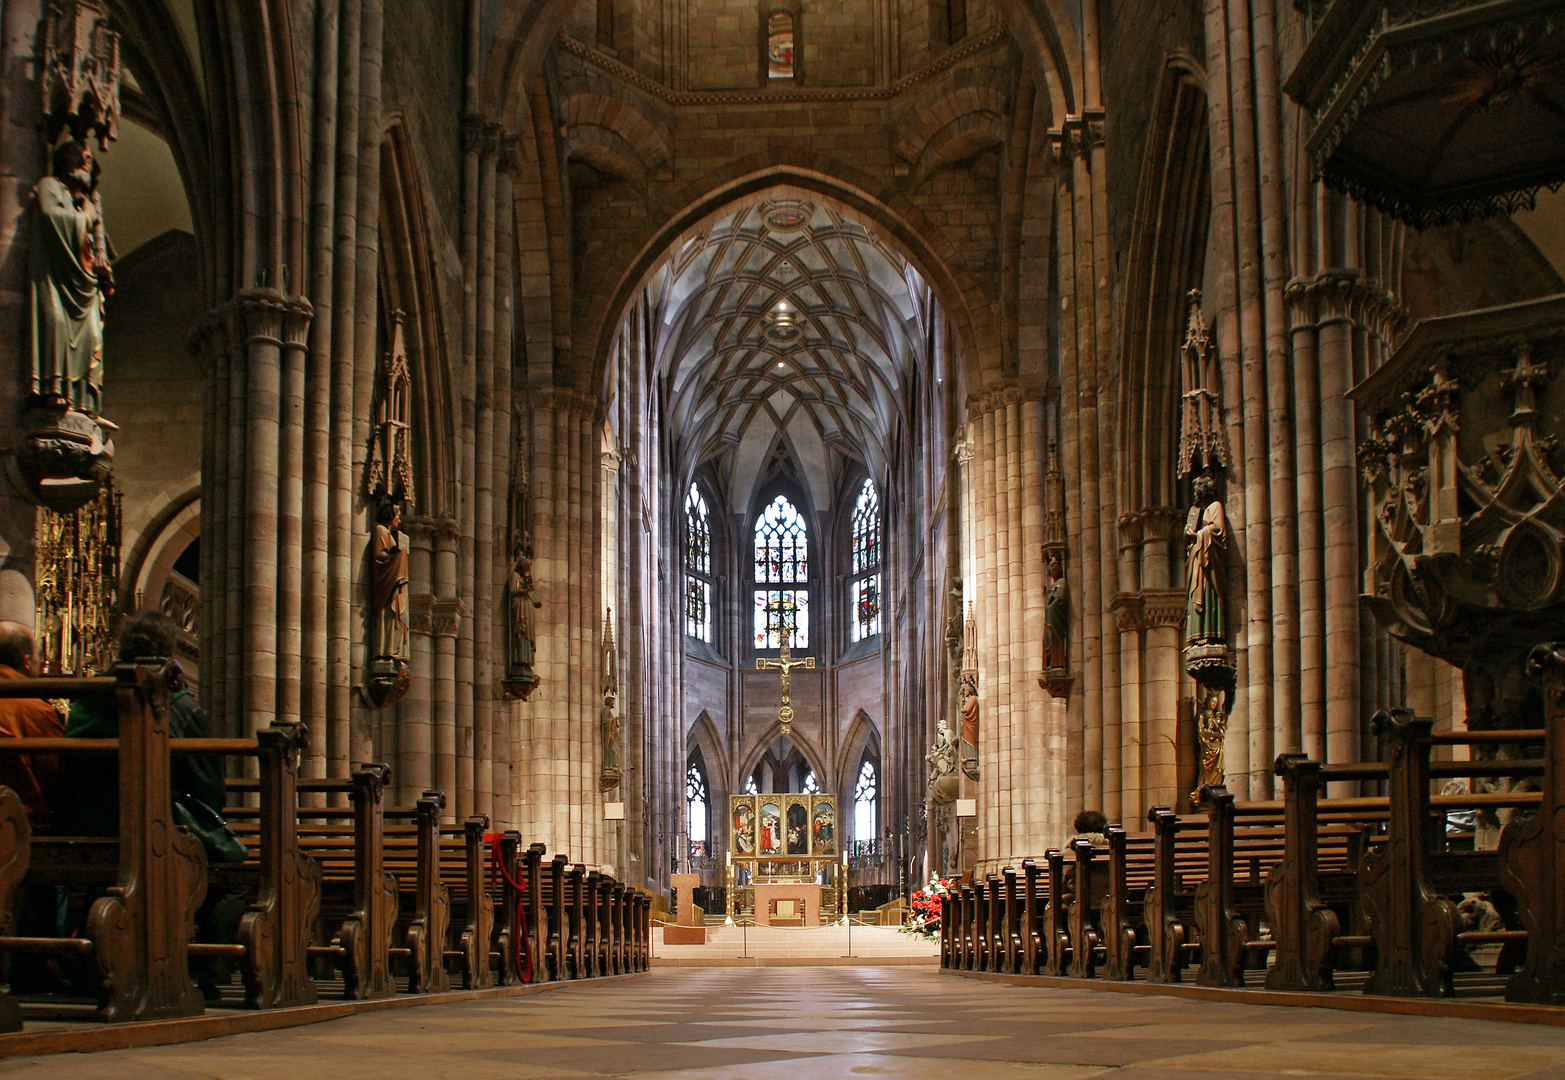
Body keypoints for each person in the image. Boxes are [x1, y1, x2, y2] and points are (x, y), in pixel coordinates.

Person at [30, 138, 112, 414]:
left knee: (91, 334)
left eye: (90, 160)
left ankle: (82, 404)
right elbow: (48, 215)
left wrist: (102, 263)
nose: (87, 164)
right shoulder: (49, 187)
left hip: (84, 290)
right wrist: (85, 218)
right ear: (68, 160)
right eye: (82, 158)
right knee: (54, 324)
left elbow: (93, 250)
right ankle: (53, 392)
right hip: (54, 281)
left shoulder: (85, 203)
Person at [0, 621, 64, 827]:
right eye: (38, 656)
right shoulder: (32, 709)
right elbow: (56, 778)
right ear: (27, 661)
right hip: (21, 821)